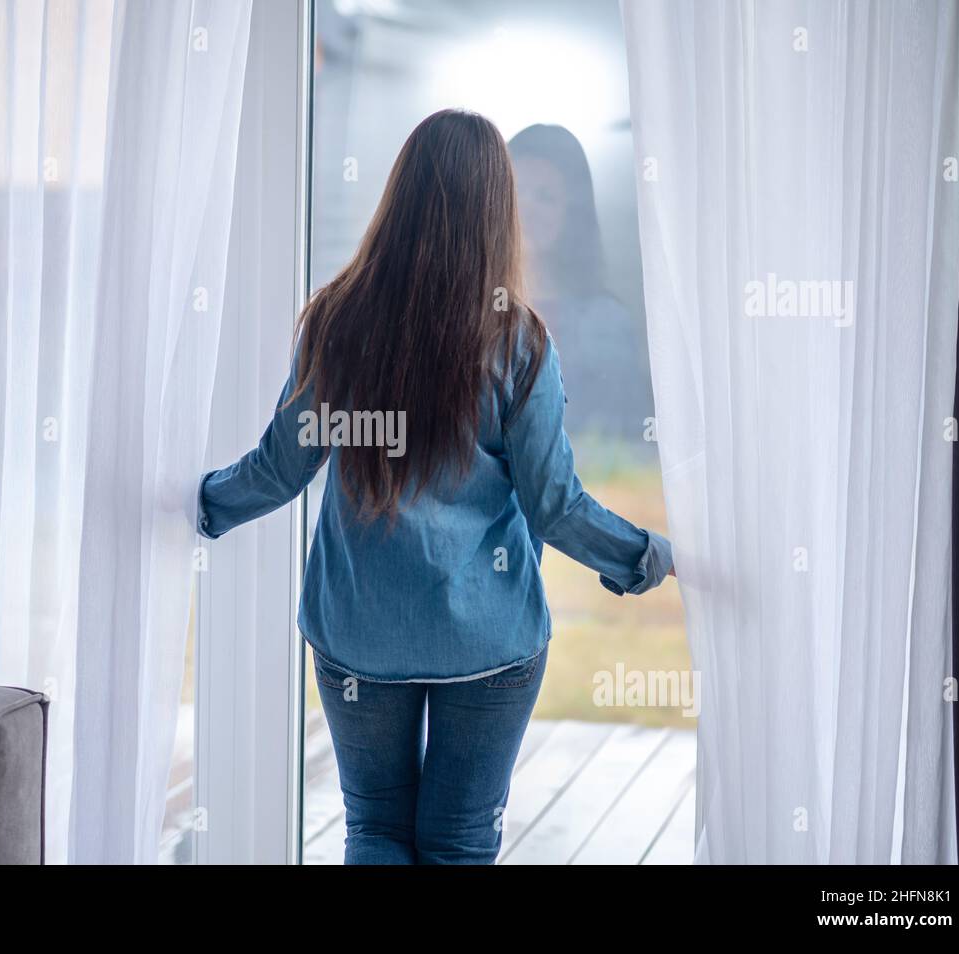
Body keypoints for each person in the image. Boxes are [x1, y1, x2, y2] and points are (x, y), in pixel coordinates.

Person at [197, 108, 673, 865]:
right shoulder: (517, 340)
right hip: (486, 641)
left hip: (360, 635)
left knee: (375, 832)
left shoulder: (336, 320)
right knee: (457, 843)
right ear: (497, 210)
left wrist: (197, 504)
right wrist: (646, 556)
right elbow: (555, 505)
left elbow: (282, 468)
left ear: (399, 195)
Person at [509, 123, 650, 438]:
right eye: (516, 191)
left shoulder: (608, 322)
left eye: (545, 196)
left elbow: (628, 440)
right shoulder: (467, 315)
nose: (526, 206)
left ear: (572, 212)